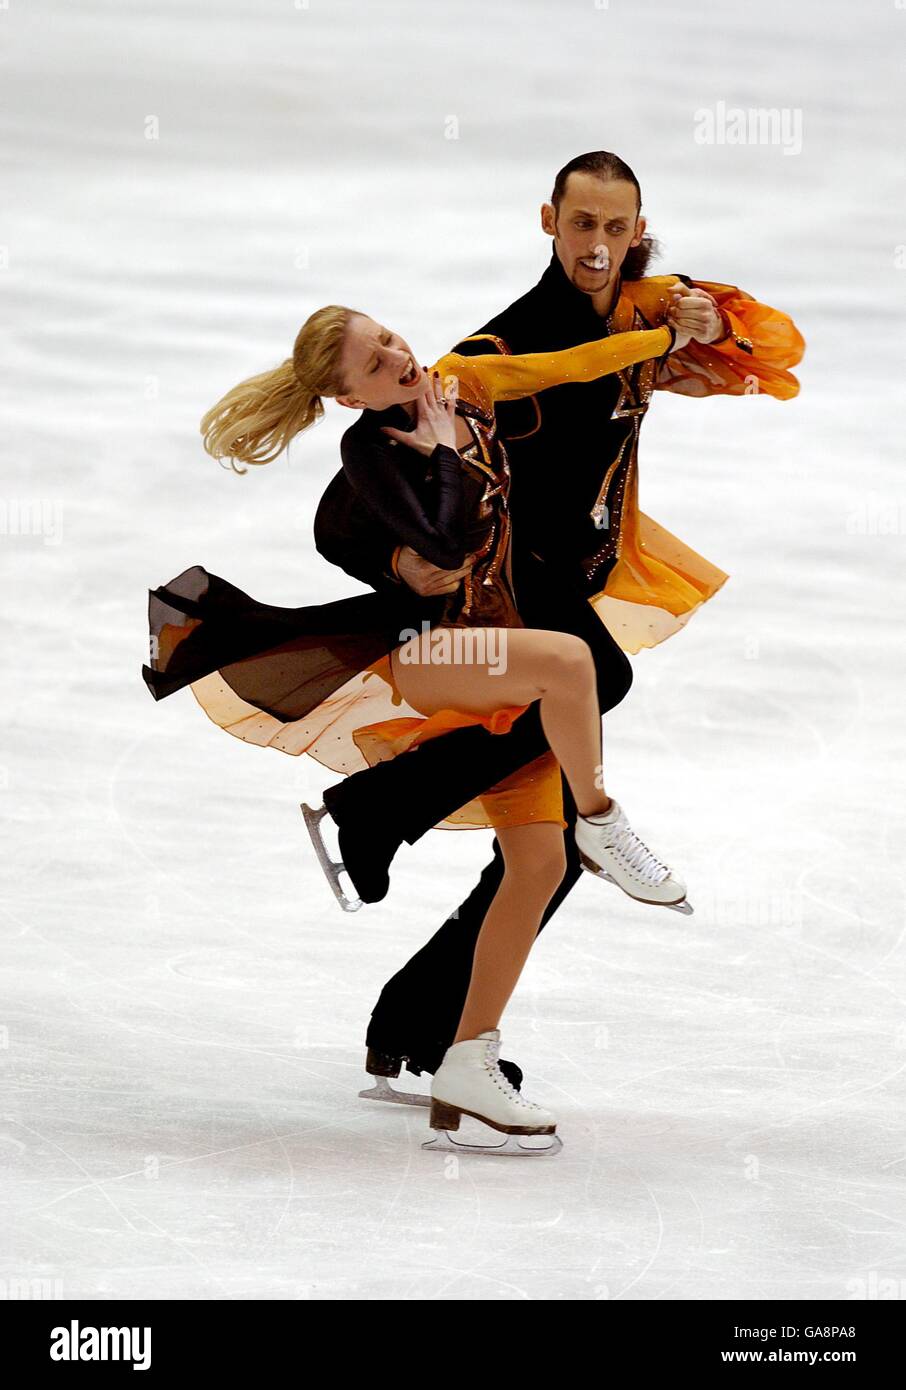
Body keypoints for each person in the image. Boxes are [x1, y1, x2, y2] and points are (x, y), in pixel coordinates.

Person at [311, 151, 806, 1096]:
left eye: (618, 229)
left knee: (547, 851)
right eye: (583, 226)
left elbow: (769, 361)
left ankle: (413, 1015)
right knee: (598, 699)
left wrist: (706, 311)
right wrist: (390, 564)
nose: (599, 247)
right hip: (508, 603)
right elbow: (344, 508)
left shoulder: (637, 307)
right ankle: (389, 840)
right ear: (550, 222)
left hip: (559, 586)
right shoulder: (499, 350)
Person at [142, 306, 687, 1154]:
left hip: (502, 646)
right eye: (373, 360)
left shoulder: (462, 385)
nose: (397, 356)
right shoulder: (370, 452)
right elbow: (448, 539)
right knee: (575, 669)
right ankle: (604, 823)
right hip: (433, 650)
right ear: (348, 394)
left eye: (389, 337)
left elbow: (569, 363)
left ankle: (468, 1064)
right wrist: (439, 454)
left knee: (538, 863)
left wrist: (661, 342)